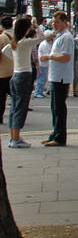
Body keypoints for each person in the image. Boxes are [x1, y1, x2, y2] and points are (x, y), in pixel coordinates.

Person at [2, 16, 40, 148]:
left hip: (15, 75)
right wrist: (36, 25)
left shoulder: (14, 43)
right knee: (21, 107)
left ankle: (13, 137)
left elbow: (5, 51)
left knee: (14, 107)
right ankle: (16, 138)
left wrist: (15, 60)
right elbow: (41, 38)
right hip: (24, 76)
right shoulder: (25, 42)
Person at [43, 11, 74, 147]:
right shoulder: (60, 36)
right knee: (55, 107)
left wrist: (49, 56)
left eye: (56, 22)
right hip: (56, 76)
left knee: (59, 107)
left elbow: (66, 57)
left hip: (61, 77)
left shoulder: (66, 37)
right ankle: (55, 134)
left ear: (64, 22)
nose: (53, 24)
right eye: (53, 22)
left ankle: (60, 137)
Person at [0, 14, 14, 128]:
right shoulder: (17, 35)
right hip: (15, 70)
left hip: (2, 71)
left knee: (1, 95)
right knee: (14, 94)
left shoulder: (2, 38)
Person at [34, 29, 53, 98]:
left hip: (45, 63)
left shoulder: (49, 43)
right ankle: (37, 92)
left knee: (43, 78)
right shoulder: (44, 44)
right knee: (41, 79)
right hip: (42, 63)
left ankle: (40, 91)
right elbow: (46, 55)